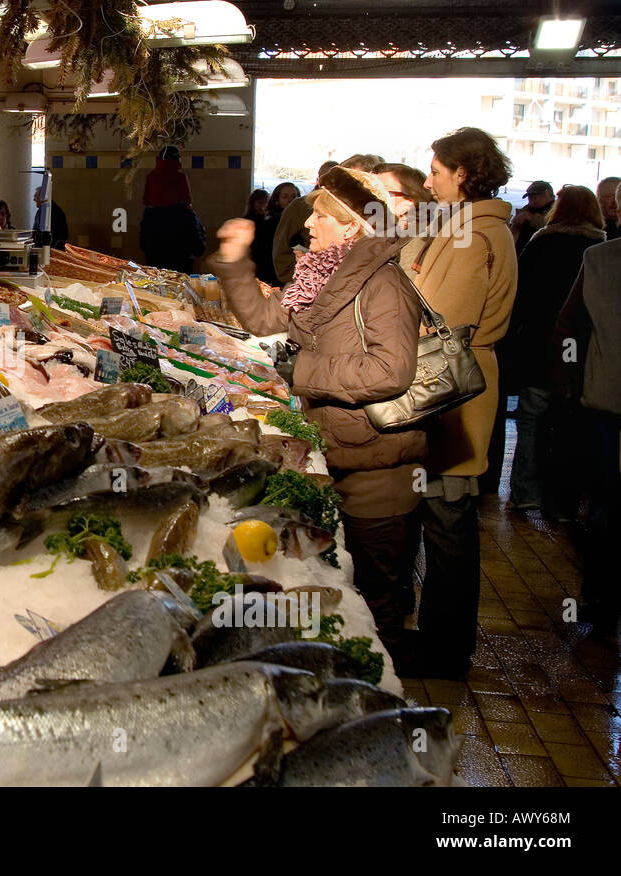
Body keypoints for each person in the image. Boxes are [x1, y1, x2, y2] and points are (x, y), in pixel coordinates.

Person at [207, 167, 425, 666]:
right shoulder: (319, 275)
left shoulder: (383, 282)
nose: (308, 225)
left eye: (319, 216)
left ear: (351, 226)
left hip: (378, 463)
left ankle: (382, 699)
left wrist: (304, 370)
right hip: (334, 449)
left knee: (375, 600)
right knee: (343, 585)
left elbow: (392, 370)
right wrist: (236, 261)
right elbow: (265, 320)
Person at [407, 127, 517, 677]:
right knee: (441, 514)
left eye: (435, 172)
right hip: (447, 381)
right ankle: (437, 639)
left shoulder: (477, 234)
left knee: (448, 517)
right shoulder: (461, 226)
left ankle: (446, 649)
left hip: (453, 386)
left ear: (464, 174)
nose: (428, 182)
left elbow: (443, 316)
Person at [506, 186, 606, 514]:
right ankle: (563, 499)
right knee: (570, 423)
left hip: (538, 346)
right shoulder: (600, 247)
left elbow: (520, 297)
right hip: (580, 349)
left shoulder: (542, 242)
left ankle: (525, 492)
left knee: (531, 419)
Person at [554, 238, 621, 629]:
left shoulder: (600, 258)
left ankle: (601, 599)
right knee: (606, 507)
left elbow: (569, 327)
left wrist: (568, 381)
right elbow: (569, 328)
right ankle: (602, 599)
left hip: (603, 401)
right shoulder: (598, 257)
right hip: (604, 404)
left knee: (606, 507)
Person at [272, 159, 355, 284]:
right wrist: (295, 280)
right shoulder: (299, 206)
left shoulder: (348, 208)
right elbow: (281, 247)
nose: (309, 223)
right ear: (319, 179)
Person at [139, 145, 203, 272]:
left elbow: (143, 244)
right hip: (180, 264)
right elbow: (198, 248)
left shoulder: (150, 213)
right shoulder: (180, 179)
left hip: (156, 266)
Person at [371, 163, 430, 269]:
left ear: (411, 199)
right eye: (371, 191)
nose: (374, 198)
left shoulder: (420, 239)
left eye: (383, 192)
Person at [511, 179, 554, 254]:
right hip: (519, 255)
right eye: (530, 197)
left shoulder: (557, 211)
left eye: (535, 197)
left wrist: (532, 218)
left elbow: (553, 228)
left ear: (548, 195)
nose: (533, 200)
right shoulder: (525, 210)